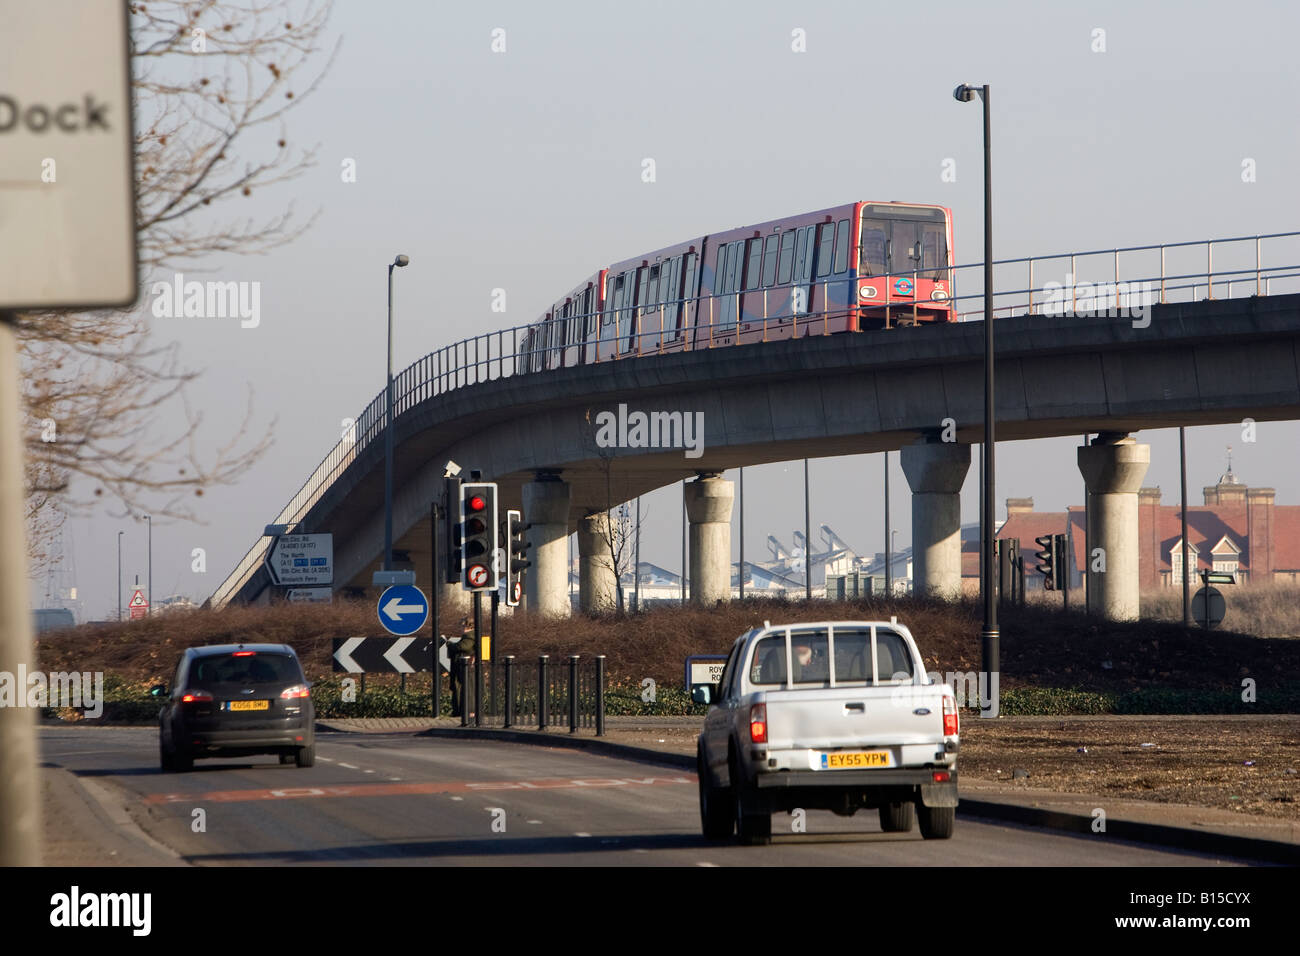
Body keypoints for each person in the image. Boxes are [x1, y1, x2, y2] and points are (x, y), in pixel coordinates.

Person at [449, 616, 477, 718]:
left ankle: (469, 712)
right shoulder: (468, 635)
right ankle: (461, 711)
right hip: (464, 666)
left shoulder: (470, 635)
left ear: (468, 625)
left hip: (467, 666)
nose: (460, 628)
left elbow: (463, 646)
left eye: (462, 625)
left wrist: (450, 645)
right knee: (462, 688)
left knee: (468, 689)